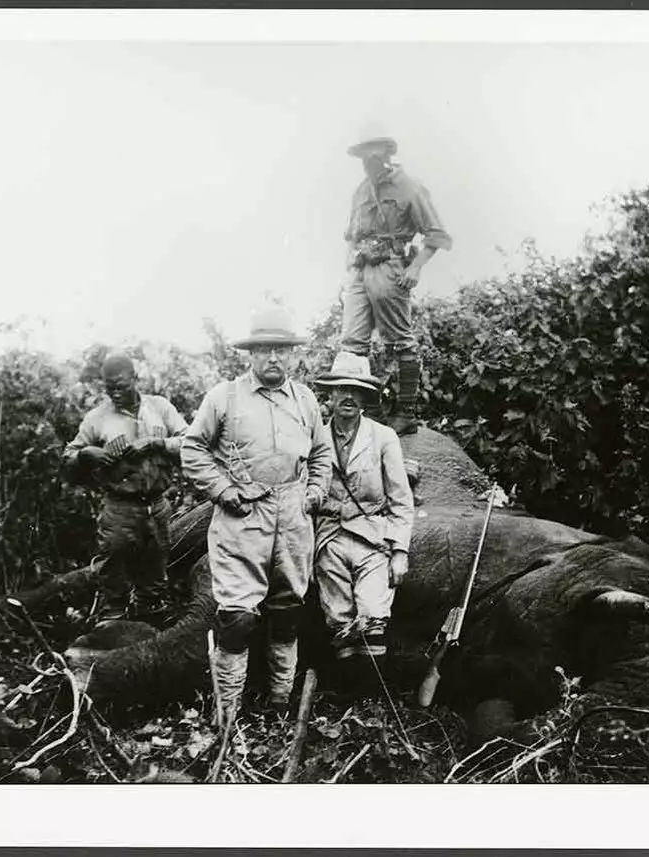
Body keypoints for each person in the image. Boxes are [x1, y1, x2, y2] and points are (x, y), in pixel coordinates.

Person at [180, 306, 333, 720]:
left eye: (281, 350)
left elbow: (321, 452)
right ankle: (227, 714)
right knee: (238, 619)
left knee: (287, 612)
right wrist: (223, 490)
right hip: (242, 516)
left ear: (293, 355)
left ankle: (281, 705)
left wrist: (315, 491)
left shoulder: (305, 400)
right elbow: (192, 449)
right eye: (264, 350)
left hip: (294, 516)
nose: (273, 358)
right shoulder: (225, 397)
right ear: (250, 354)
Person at [313, 351, 415, 697]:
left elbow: (401, 499)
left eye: (357, 391)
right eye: (342, 389)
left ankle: (373, 701)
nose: (349, 398)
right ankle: (348, 699)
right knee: (340, 621)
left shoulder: (383, 437)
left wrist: (400, 551)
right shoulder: (315, 438)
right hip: (328, 539)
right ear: (329, 395)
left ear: (366, 398)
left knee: (373, 617)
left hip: (373, 537)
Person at [341, 126, 452, 435]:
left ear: (387, 153)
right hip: (361, 268)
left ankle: (406, 412)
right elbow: (351, 236)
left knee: (400, 341)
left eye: (373, 154)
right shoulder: (361, 191)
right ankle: (373, 413)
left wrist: (415, 268)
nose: (367, 161)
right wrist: (348, 272)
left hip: (391, 266)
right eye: (363, 155)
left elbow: (436, 234)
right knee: (352, 342)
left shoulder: (410, 188)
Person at [62, 352, 188, 623]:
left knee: (154, 576)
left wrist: (157, 444)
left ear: (135, 379)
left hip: (157, 504)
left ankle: (150, 630)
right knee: (114, 575)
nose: (116, 393)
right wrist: (88, 454)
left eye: (121, 386)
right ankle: (112, 631)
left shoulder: (160, 408)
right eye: (110, 388)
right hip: (120, 507)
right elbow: (69, 456)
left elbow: (190, 441)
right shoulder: (97, 417)